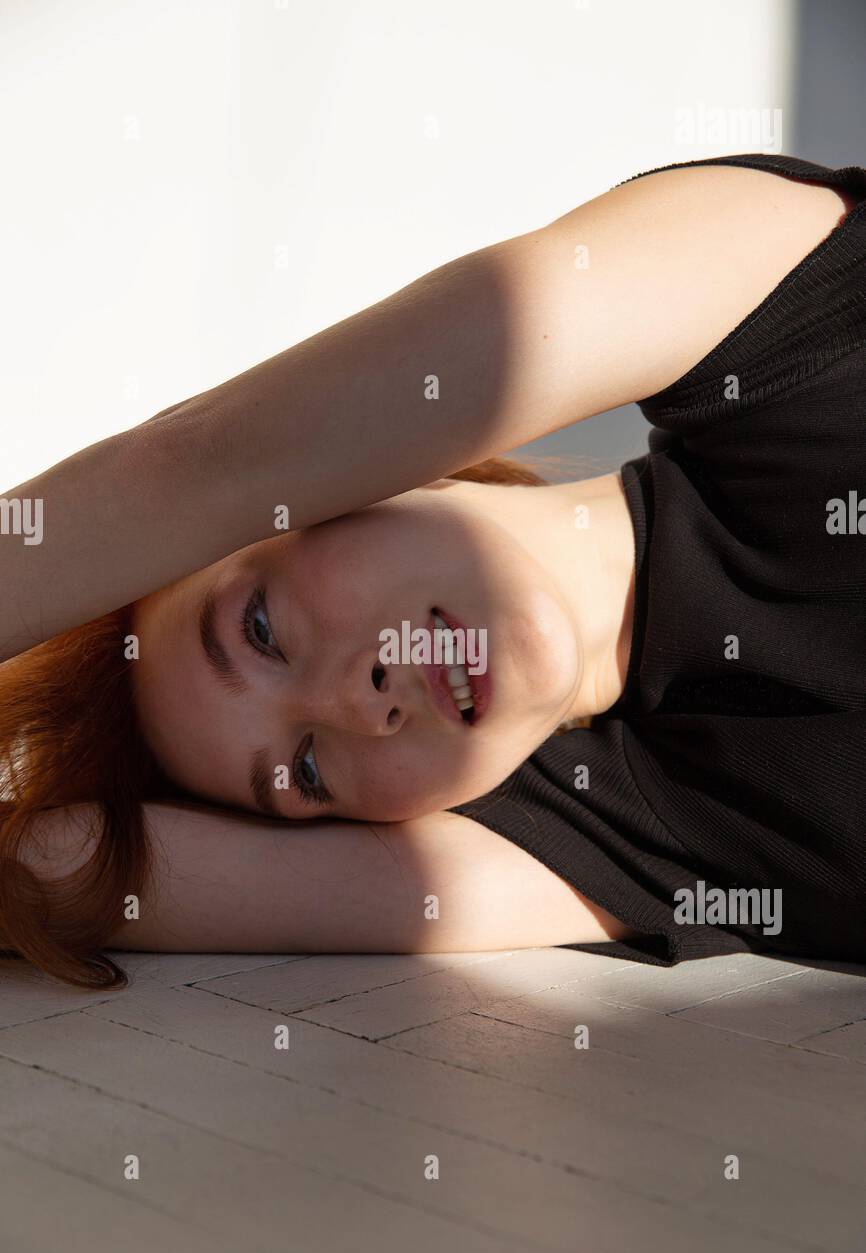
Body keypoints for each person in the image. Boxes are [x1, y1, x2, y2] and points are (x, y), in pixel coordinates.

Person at [1, 152, 863, 989]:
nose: (359, 705)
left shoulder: (775, 321)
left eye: (260, 629)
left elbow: (199, 462)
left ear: (340, 481)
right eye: (305, 773)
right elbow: (69, 872)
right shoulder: (647, 839)